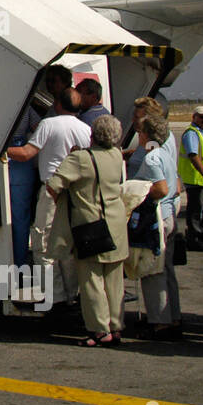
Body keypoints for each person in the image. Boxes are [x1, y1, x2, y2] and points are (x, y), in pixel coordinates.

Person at [47, 115, 129, 345]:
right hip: (116, 223)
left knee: (92, 281)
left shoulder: (80, 159)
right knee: (114, 281)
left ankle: (99, 329)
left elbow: (54, 185)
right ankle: (116, 326)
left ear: (93, 134)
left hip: (90, 226)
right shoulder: (116, 154)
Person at [7, 87, 92, 303]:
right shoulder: (85, 129)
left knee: (42, 242)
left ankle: (54, 296)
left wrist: (0, 149)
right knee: (68, 244)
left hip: (52, 190)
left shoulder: (49, 124)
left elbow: (27, 153)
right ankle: (73, 293)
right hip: (76, 192)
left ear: (57, 104)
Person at [132, 114, 182, 339]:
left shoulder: (152, 159)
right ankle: (172, 315)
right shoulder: (165, 154)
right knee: (166, 270)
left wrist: (139, 193)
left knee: (152, 272)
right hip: (170, 215)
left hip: (158, 218)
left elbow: (160, 188)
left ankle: (159, 322)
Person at [179, 105, 203, 251]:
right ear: (194, 117)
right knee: (195, 211)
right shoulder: (191, 133)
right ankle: (193, 239)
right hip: (196, 179)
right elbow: (193, 155)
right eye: (202, 117)